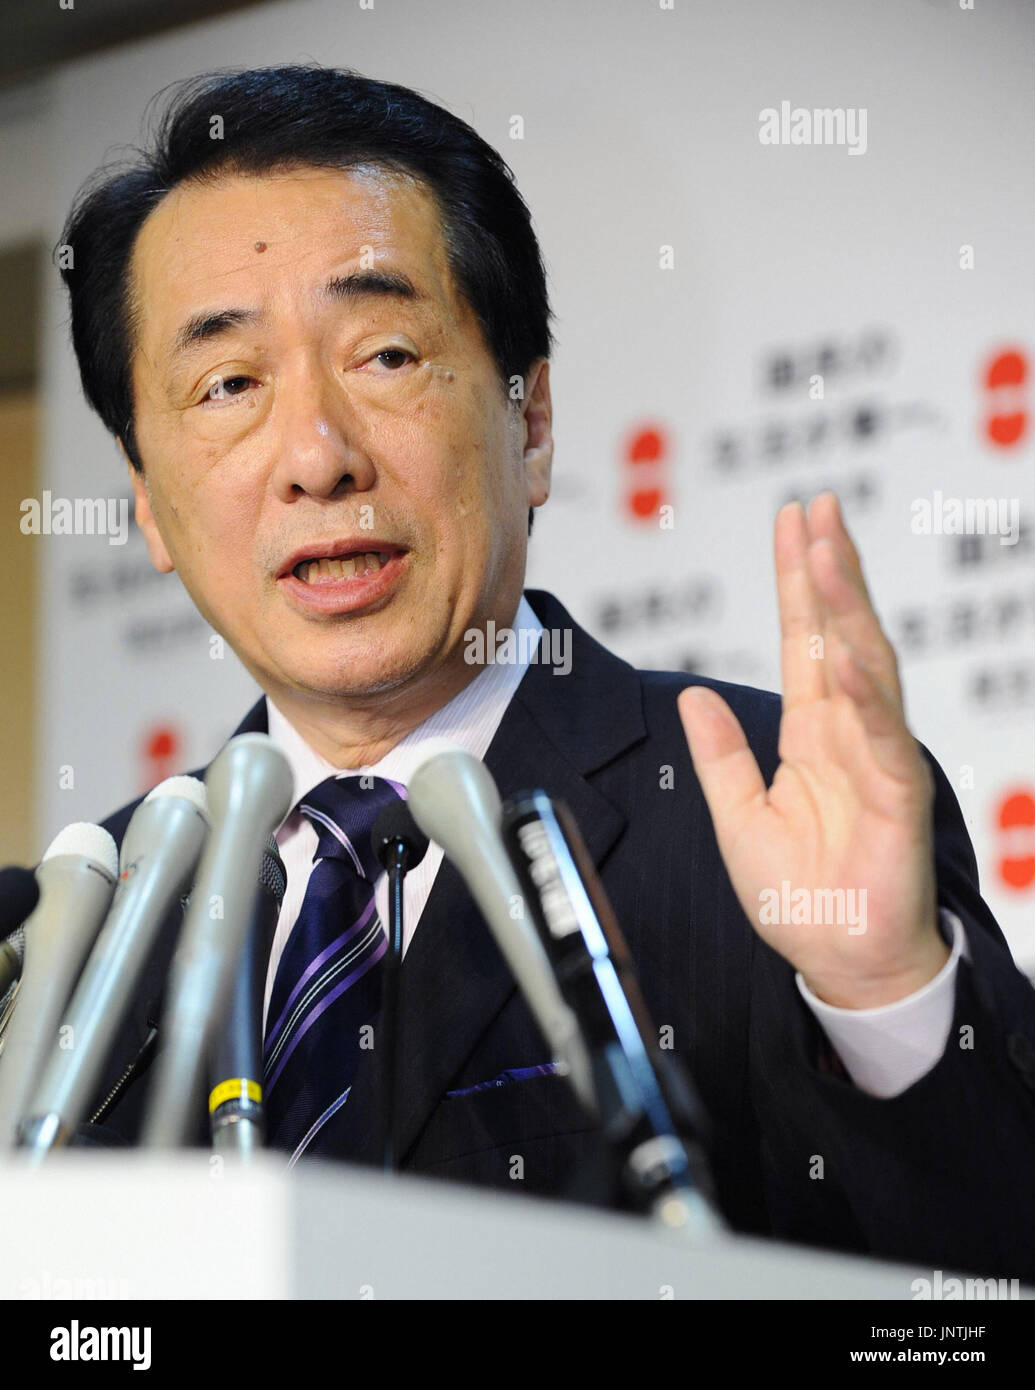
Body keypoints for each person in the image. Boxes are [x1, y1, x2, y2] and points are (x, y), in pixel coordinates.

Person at [58, 65, 1035, 1279]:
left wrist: (884, 990)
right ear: (148, 499)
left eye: (387, 353)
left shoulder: (761, 815)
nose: (315, 457)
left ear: (530, 423)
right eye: (229, 385)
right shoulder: (91, 932)